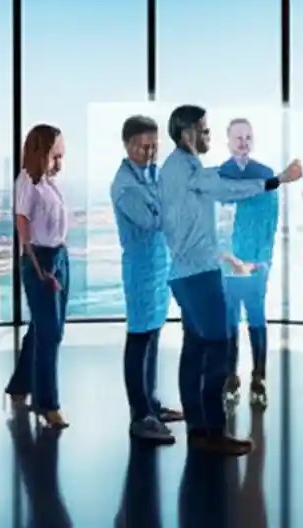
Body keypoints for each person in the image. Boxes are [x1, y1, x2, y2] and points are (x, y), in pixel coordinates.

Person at [159, 105, 303, 455]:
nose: (209, 137)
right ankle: (212, 431)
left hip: (184, 272)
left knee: (195, 346)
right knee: (218, 345)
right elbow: (229, 190)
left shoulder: (177, 168)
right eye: (205, 131)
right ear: (188, 133)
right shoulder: (189, 169)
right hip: (198, 274)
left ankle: (198, 428)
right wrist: (279, 180)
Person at [111, 115, 185, 444]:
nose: (151, 153)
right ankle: (139, 415)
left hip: (159, 266)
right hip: (141, 269)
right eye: (144, 146)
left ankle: (152, 403)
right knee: (139, 338)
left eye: (155, 146)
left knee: (153, 335)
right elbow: (153, 219)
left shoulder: (151, 174)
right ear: (128, 145)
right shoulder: (125, 186)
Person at [5, 124, 71, 430]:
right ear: (38, 153)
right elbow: (23, 226)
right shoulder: (27, 183)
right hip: (40, 261)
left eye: (61, 156)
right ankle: (48, 404)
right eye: (54, 156)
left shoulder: (48, 182)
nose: (59, 163)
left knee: (41, 328)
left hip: (58, 256)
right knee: (51, 333)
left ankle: (20, 385)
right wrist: (42, 270)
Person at [218, 118, 279, 409]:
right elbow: (216, 223)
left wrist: (260, 263)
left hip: (255, 264)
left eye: (248, 137)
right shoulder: (219, 175)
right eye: (238, 138)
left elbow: (270, 223)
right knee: (229, 321)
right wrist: (224, 257)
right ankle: (230, 377)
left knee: (256, 319)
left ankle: (259, 378)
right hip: (227, 265)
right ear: (228, 141)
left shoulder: (265, 175)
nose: (243, 142)